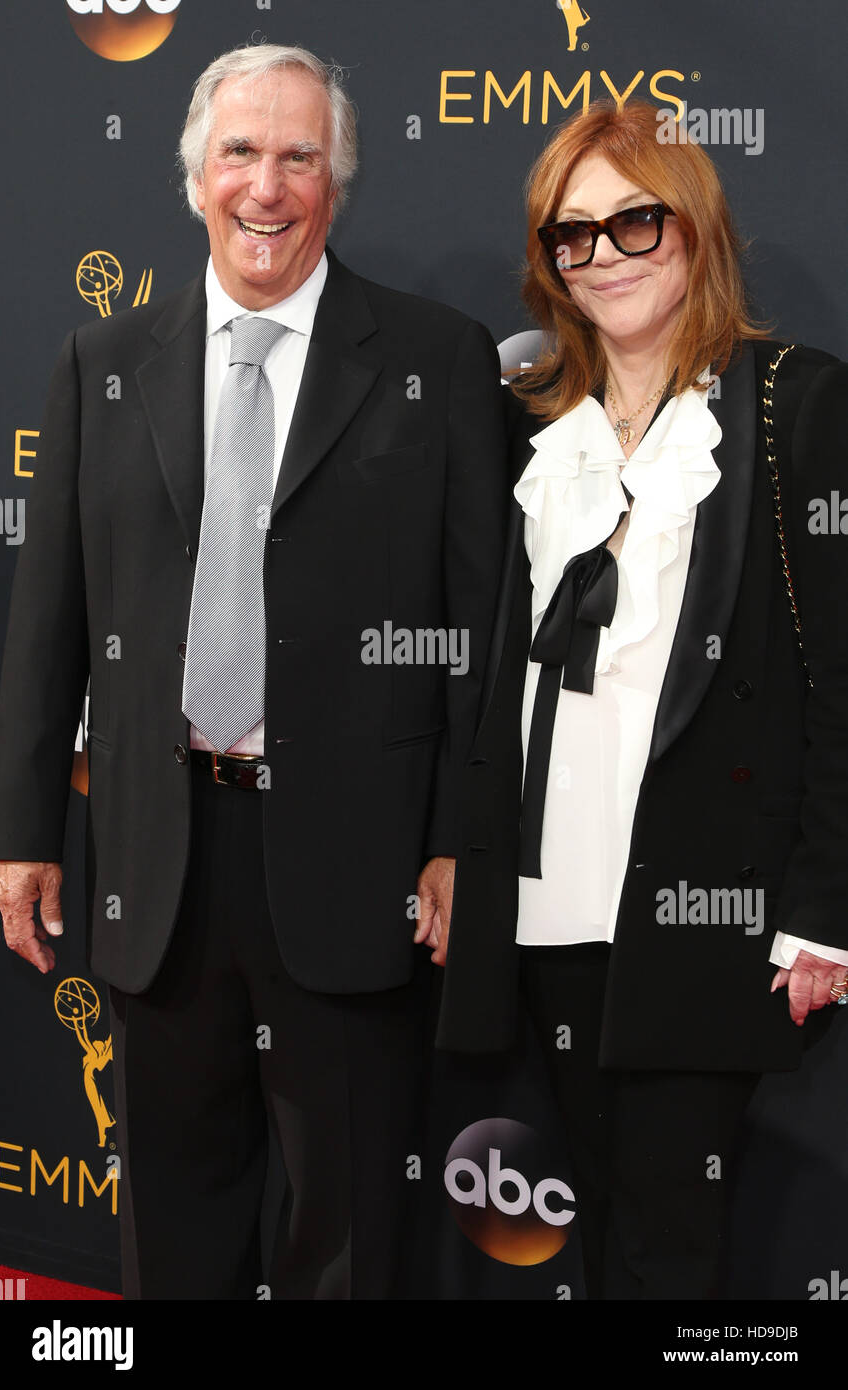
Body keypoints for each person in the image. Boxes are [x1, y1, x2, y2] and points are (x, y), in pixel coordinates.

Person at [0, 42, 506, 1300]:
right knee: (172, 1214)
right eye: (238, 152)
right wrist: (21, 832)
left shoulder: (438, 360)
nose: (264, 187)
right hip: (159, 857)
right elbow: (49, 620)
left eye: (296, 156)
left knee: (346, 1235)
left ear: (336, 182)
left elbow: (477, 634)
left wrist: (457, 841)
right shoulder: (99, 365)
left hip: (356, 863)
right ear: (192, 177)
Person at [422, 100, 848, 1300]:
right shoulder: (530, 436)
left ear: (695, 228)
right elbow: (486, 664)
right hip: (554, 907)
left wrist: (821, 909)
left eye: (632, 223)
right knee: (603, 1224)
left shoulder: (790, 410)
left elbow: (837, 684)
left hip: (703, 916)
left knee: (671, 1248)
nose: (602, 255)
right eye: (573, 236)